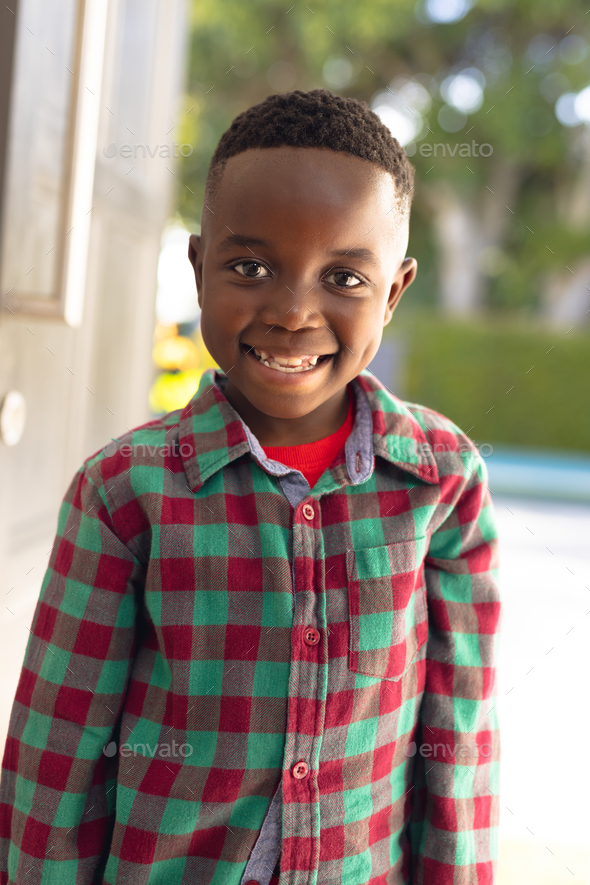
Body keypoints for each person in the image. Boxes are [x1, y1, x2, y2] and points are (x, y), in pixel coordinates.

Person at [0, 89, 500, 885]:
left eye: (343, 276)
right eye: (251, 266)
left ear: (395, 292)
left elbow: (458, 737)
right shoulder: (125, 491)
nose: (294, 310)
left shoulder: (443, 483)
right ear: (199, 270)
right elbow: (55, 755)